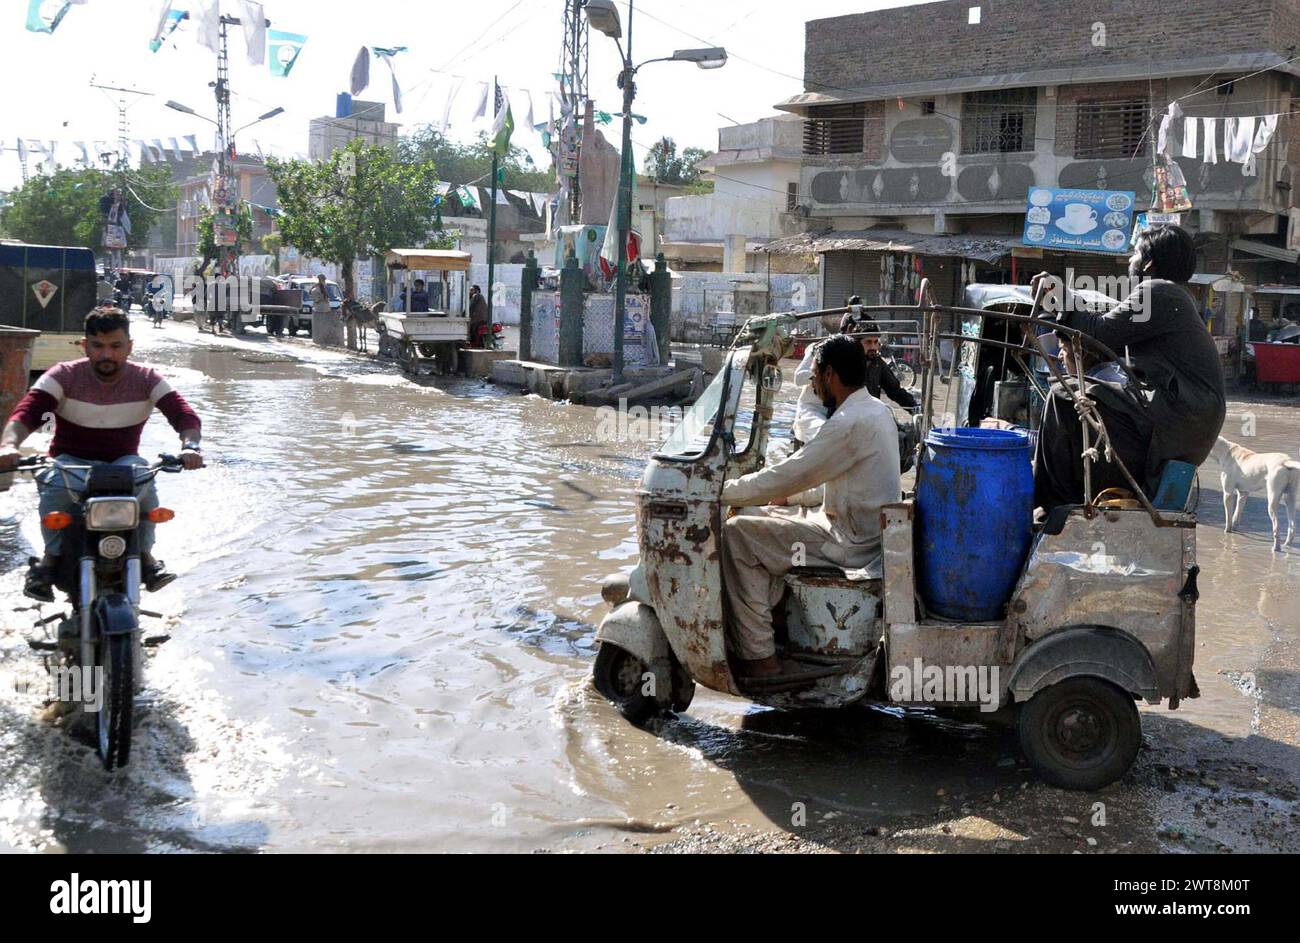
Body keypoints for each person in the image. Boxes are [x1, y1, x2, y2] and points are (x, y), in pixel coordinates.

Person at [721, 336, 901, 687]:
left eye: (815, 374)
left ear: (830, 374)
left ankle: (760, 658)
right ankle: (777, 623)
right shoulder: (876, 411)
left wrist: (721, 491)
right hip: (855, 529)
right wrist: (787, 500)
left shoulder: (848, 422)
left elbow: (791, 472)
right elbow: (834, 480)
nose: (813, 382)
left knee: (737, 535)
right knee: (753, 516)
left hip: (849, 542)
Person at [0, 308, 206, 601]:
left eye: (115, 346)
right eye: (98, 346)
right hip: (70, 462)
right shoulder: (64, 375)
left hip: (122, 463)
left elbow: (184, 415)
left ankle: (146, 557)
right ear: (85, 346)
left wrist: (190, 447)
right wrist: (8, 446)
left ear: (129, 347)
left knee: (144, 479)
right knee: (55, 487)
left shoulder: (147, 379)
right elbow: (27, 414)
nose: (106, 354)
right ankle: (50, 562)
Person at [1032, 224, 1226, 510]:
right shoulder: (1174, 297)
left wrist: (1057, 293)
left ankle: (1049, 507)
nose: (1129, 261)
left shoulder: (1158, 291)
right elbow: (1106, 331)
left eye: (1134, 254)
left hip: (1174, 423)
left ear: (1149, 264)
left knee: (1063, 395)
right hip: (1183, 425)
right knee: (1076, 397)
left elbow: (1097, 332)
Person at [858, 322, 917, 409]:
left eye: (875, 342)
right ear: (858, 343)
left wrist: (914, 407)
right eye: (868, 342)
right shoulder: (849, 363)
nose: (873, 347)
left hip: (871, 415)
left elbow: (894, 390)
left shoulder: (878, 363)